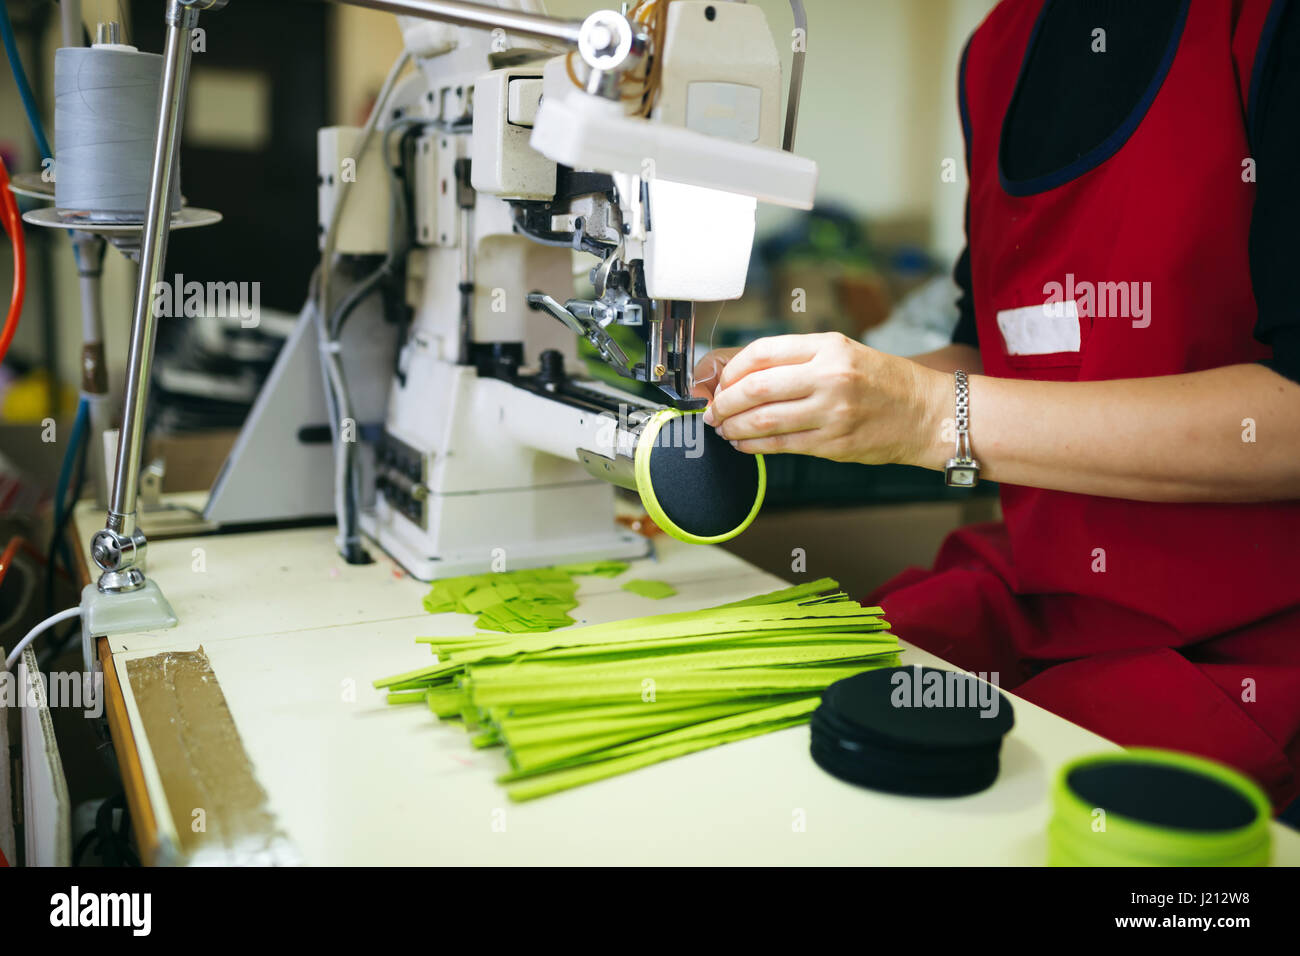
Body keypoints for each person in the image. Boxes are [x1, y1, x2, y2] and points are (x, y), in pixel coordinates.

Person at [693, 0, 1300, 811]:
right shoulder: (997, 53)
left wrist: (928, 415)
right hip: (1041, 593)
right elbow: (994, 350)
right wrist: (822, 396)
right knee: (779, 721)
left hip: (1251, 638)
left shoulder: (1263, 27)